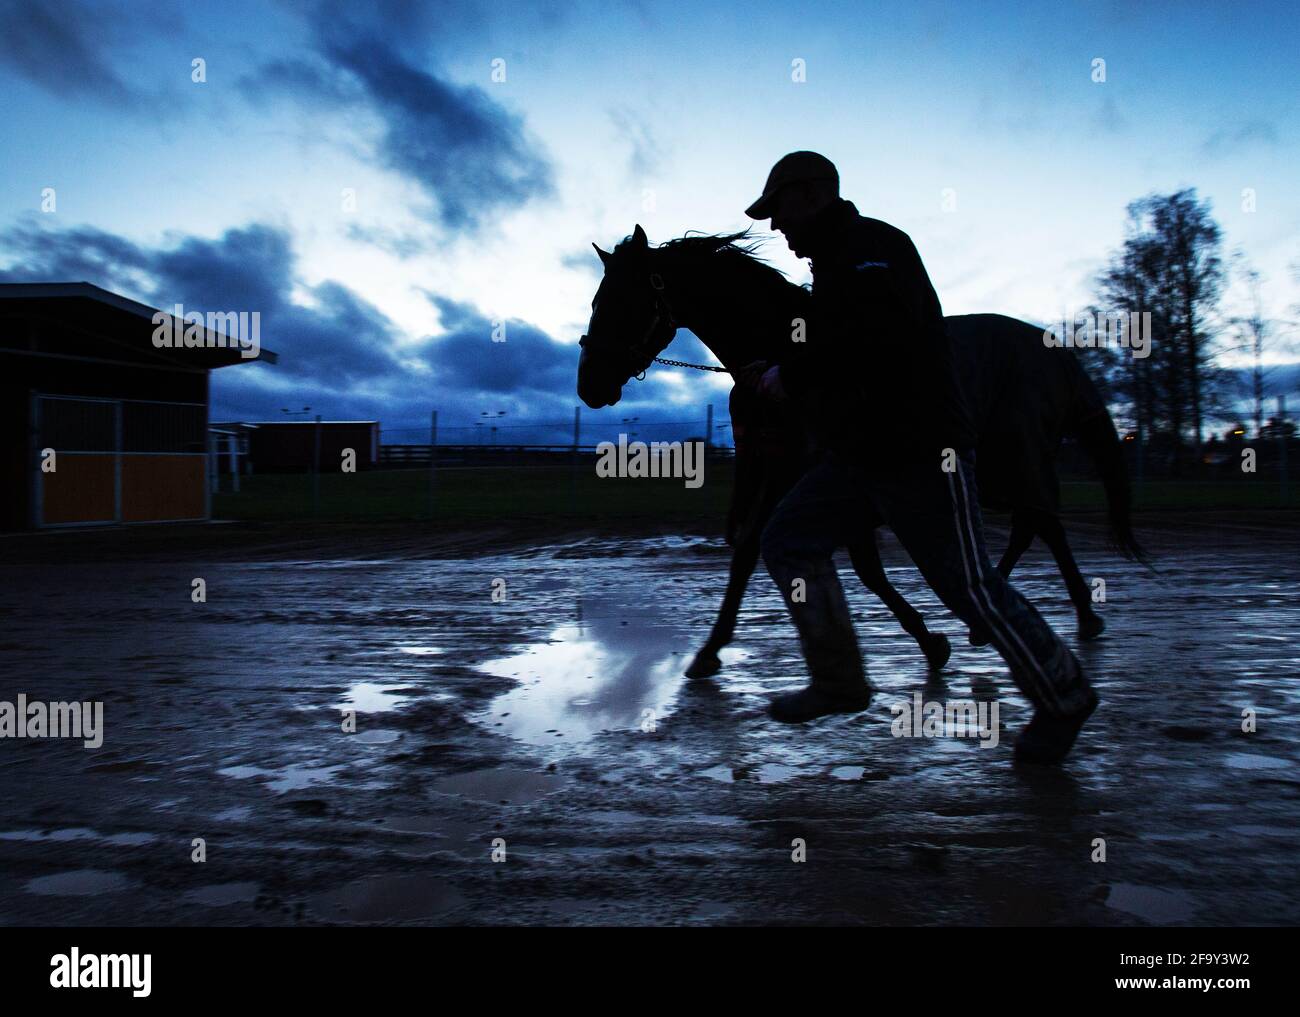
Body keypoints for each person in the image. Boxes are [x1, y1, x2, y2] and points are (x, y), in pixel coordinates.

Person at [740, 151, 1097, 764]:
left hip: (923, 451)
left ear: (811, 196)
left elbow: (873, 344)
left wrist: (789, 375)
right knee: (788, 539)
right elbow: (840, 356)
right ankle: (839, 681)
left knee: (970, 588)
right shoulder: (833, 269)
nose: (776, 227)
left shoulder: (872, 248)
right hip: (860, 457)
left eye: (778, 211)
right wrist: (779, 374)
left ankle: (1064, 694)